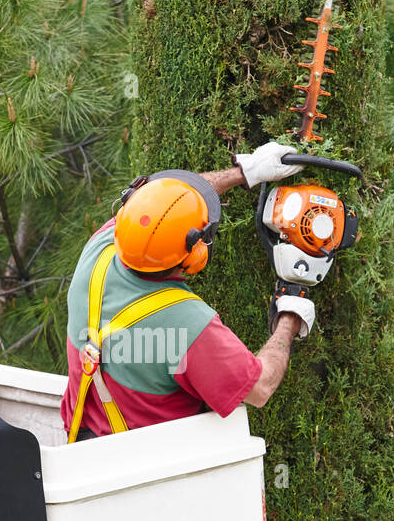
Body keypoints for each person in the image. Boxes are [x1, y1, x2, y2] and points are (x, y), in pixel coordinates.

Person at [61, 142, 320, 442]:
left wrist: (244, 173)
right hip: (148, 476)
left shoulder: (100, 248)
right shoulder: (187, 323)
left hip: (80, 452)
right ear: (194, 255)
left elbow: (163, 202)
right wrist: (290, 315)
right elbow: (260, 388)